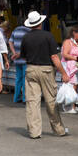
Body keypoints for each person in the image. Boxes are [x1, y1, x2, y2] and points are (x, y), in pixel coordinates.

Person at [17, 10, 68, 139]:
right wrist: (63, 72)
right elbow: (54, 57)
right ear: (41, 22)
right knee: (51, 100)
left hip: (31, 69)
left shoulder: (26, 37)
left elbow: (23, 56)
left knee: (32, 102)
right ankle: (59, 129)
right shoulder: (48, 36)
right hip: (46, 70)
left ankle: (34, 132)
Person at [61, 24, 78, 114]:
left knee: (76, 86)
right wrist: (77, 59)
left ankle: (74, 105)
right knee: (72, 86)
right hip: (70, 67)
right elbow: (65, 54)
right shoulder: (68, 42)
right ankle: (70, 106)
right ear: (74, 33)